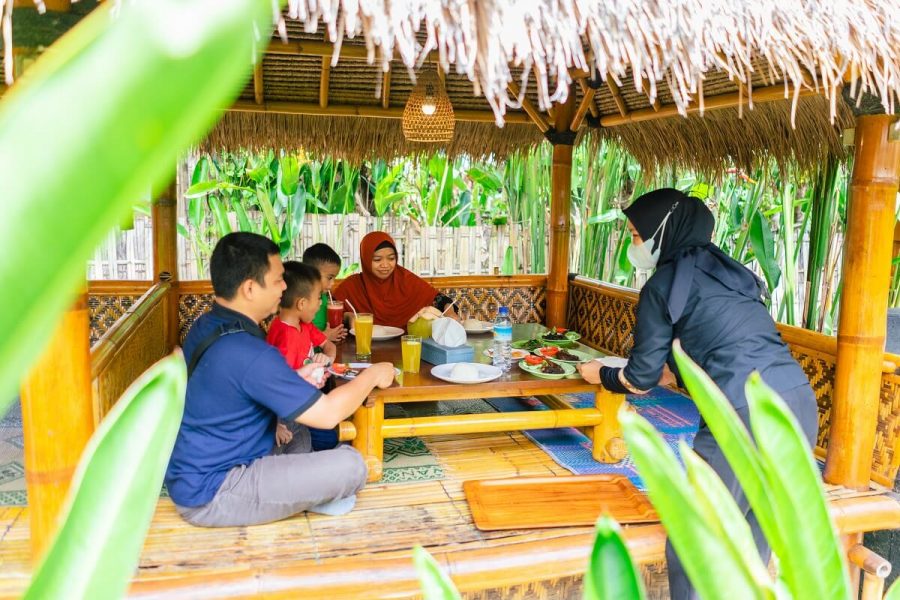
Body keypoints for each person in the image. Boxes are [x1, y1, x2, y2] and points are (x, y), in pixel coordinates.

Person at [576, 188, 818, 600]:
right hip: (797, 404)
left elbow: (640, 377)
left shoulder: (662, 285)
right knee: (754, 538)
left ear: (663, 232)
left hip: (740, 416)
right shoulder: (729, 272)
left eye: (636, 236)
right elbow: (726, 341)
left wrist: (601, 373)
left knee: (696, 538)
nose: (633, 245)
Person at [165, 232, 395, 527]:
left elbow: (238, 384)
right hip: (217, 490)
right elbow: (328, 414)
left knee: (298, 431)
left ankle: (296, 491)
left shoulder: (210, 324)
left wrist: (295, 377)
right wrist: (373, 373)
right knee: (351, 465)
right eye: (277, 280)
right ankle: (298, 496)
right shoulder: (249, 350)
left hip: (201, 466)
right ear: (250, 288)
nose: (284, 287)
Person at [266, 261, 338, 450]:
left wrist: (327, 360)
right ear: (302, 303)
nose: (321, 303)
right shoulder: (285, 336)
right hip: (285, 413)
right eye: (318, 298)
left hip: (302, 401)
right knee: (298, 446)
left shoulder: (304, 325)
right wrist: (275, 425)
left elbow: (329, 346)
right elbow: (274, 387)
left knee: (323, 438)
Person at [333, 231, 458, 329]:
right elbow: (331, 312)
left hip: (406, 346)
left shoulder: (405, 279)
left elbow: (441, 300)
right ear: (365, 259)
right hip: (361, 350)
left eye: (391, 258)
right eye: (377, 260)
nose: (385, 265)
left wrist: (450, 312)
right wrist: (348, 317)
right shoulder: (352, 285)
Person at [302, 242, 347, 343]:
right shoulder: (301, 301)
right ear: (311, 273)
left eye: (334, 278)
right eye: (329, 278)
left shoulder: (325, 297)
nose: (332, 283)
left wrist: (336, 332)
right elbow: (296, 340)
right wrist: (325, 336)